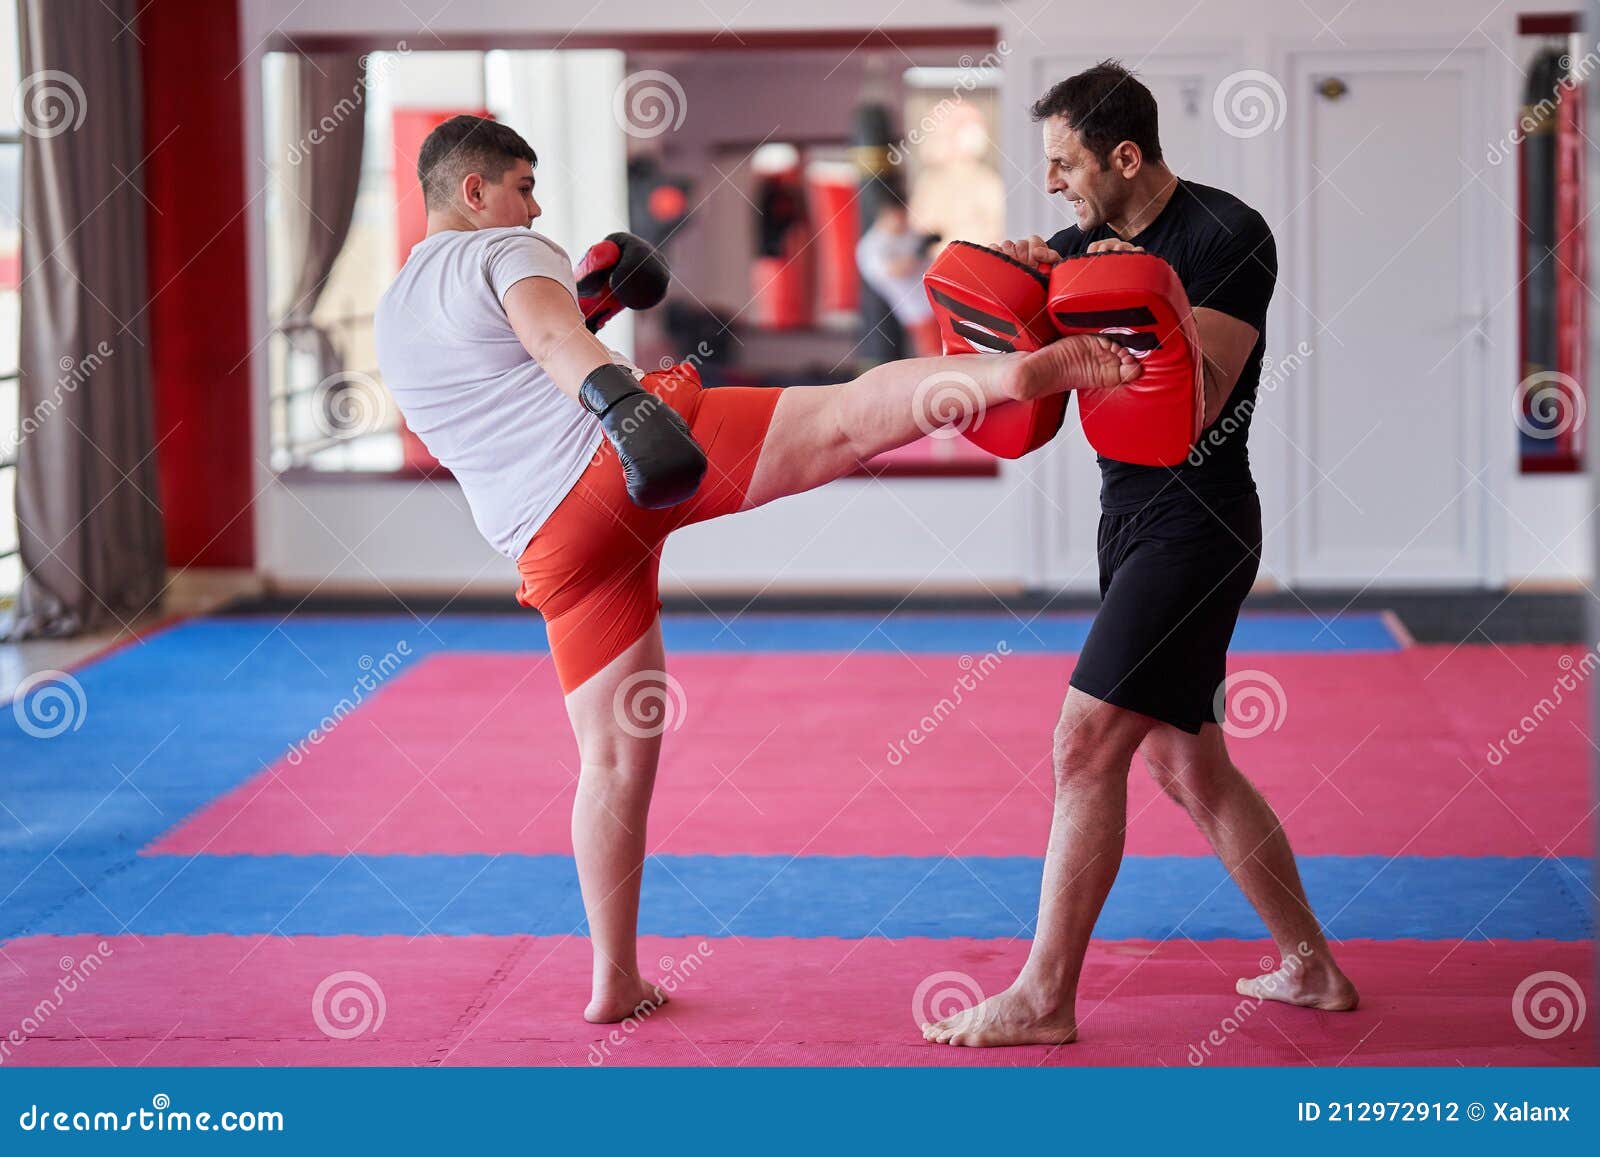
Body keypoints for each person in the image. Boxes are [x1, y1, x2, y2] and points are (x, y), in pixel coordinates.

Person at [372, 114, 1141, 1024]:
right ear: (475, 191)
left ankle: (611, 978)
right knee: (848, 416)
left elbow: (511, 363)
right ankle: (1011, 378)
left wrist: (595, 301)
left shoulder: (395, 307)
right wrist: (626, 409)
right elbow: (548, 346)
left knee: (612, 758)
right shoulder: (508, 248)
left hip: (550, 544)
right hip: (609, 463)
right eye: (522, 185)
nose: (533, 205)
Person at [923, 61, 1358, 1048]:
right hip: (1125, 523)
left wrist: (1095, 319)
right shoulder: (1082, 244)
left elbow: (1193, 396)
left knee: (1082, 743)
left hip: (1196, 522)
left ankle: (1041, 994)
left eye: (1064, 161)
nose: (1054, 182)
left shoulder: (1224, 234)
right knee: (1188, 766)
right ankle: (1312, 965)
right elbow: (1028, 366)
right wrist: (1035, 286)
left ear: (1124, 156)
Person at [855, 196, 942, 356]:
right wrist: (919, 252)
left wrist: (929, 241)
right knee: (935, 355)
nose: (904, 221)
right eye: (899, 217)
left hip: (940, 300)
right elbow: (896, 270)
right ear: (886, 215)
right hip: (919, 310)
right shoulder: (872, 246)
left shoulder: (907, 233)